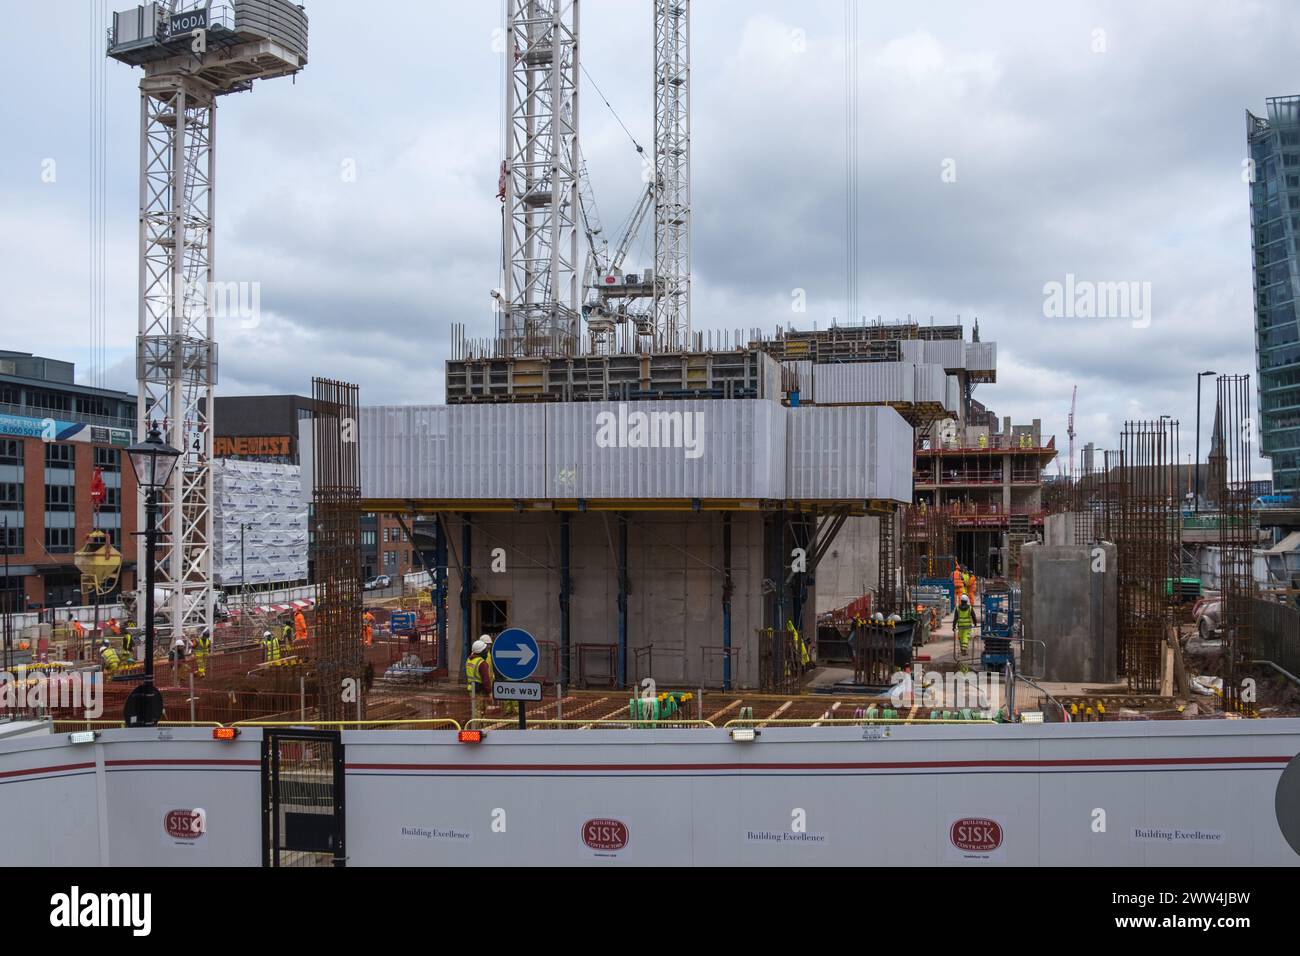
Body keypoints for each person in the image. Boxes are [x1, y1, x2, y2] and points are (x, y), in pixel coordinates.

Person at [466, 639, 491, 719]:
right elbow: (486, 680)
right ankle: (477, 729)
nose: (486, 652)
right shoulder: (482, 663)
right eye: (485, 650)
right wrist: (489, 692)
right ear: (481, 651)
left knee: (475, 710)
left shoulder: (469, 660)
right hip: (480, 691)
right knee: (480, 712)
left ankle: (476, 726)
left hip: (472, 689)